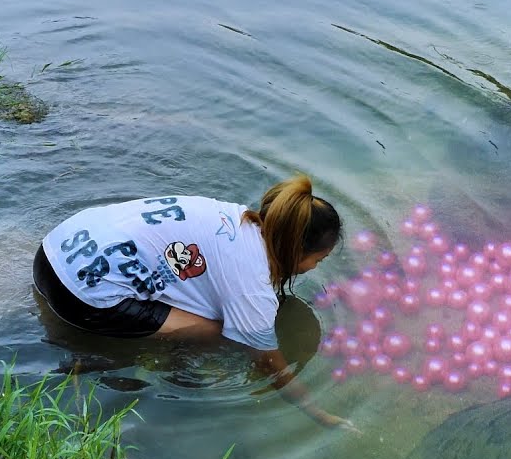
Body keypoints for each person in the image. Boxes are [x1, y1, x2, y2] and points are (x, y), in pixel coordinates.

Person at [32, 175, 354, 431]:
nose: (315, 267)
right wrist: (319, 414)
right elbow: (269, 363)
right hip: (76, 293)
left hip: (57, 246)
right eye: (319, 259)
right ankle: (135, 362)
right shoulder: (253, 286)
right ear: (296, 250)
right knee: (219, 333)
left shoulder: (232, 215)